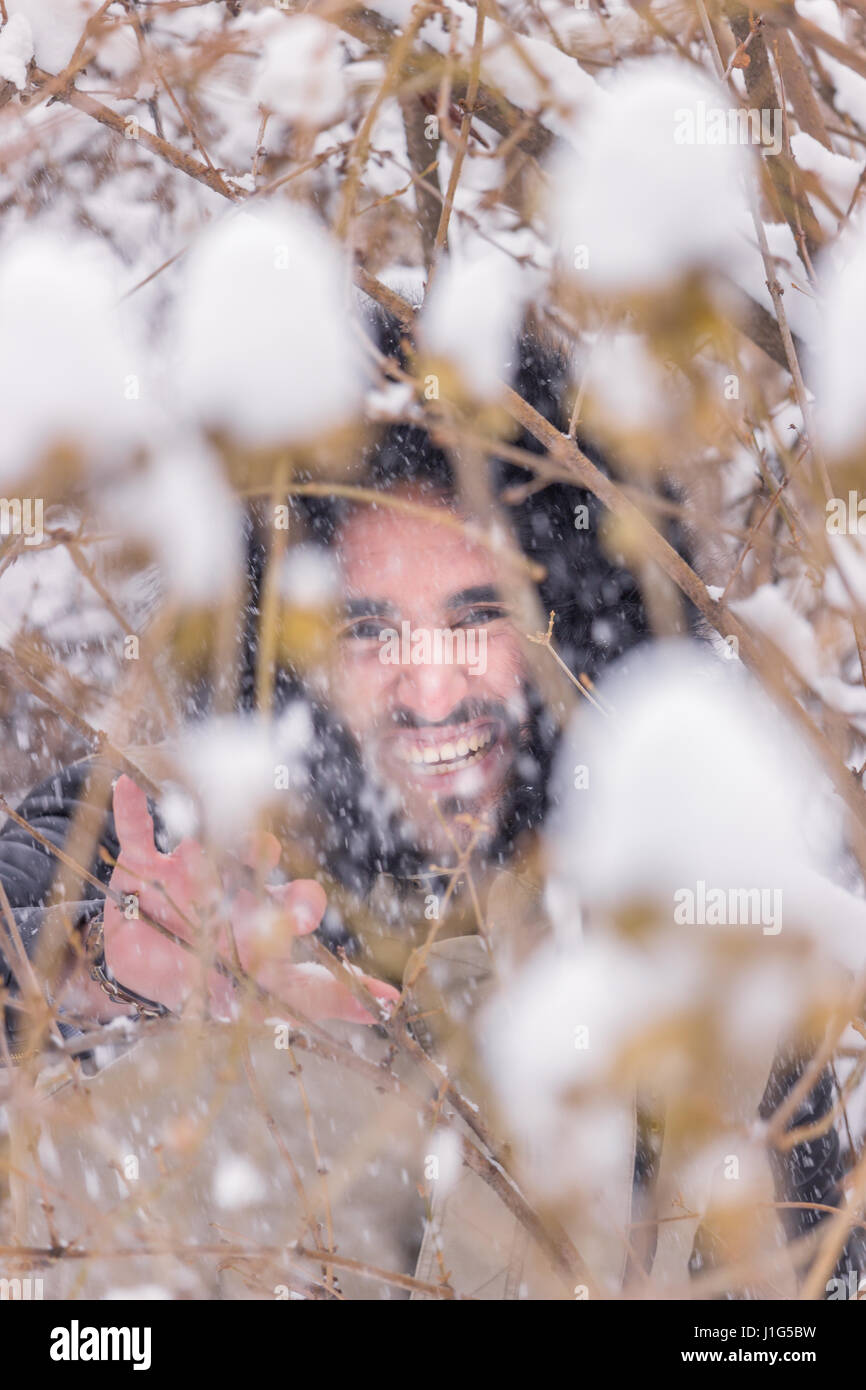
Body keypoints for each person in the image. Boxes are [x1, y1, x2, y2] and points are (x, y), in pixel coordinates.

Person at [0, 316, 853, 1299]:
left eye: (476, 616)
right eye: (368, 629)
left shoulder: (679, 930)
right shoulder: (155, 835)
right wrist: (75, 966)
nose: (431, 690)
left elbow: (797, 1305)